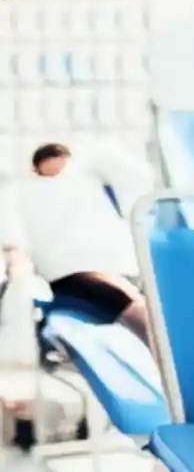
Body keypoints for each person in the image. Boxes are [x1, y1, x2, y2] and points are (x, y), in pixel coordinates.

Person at [0, 141, 151, 343]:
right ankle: (174, 359)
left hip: (113, 266)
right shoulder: (18, 192)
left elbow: (140, 178)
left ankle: (170, 356)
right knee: (140, 311)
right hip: (75, 272)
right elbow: (15, 248)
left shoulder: (87, 176)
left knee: (143, 310)